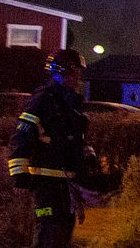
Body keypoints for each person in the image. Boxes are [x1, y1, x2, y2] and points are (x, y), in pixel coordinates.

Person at [8, 48, 97, 248]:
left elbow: (74, 139)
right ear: (62, 72)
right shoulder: (43, 101)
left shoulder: (70, 105)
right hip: (46, 184)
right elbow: (21, 136)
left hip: (65, 185)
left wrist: (87, 156)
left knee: (64, 231)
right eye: (75, 72)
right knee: (49, 234)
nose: (78, 77)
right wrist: (20, 175)